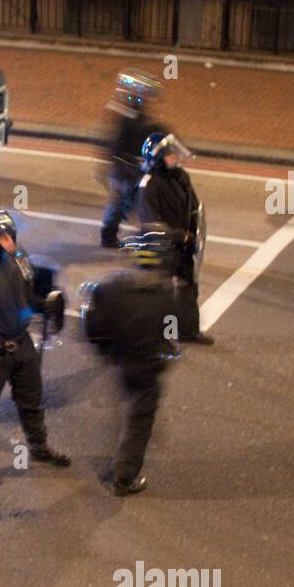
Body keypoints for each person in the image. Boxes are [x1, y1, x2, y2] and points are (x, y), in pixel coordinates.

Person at [0, 209, 72, 486]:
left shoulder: (19, 255)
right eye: (2, 238)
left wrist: (45, 301)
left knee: (32, 400)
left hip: (21, 343)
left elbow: (27, 289)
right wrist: (30, 309)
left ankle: (39, 446)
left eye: (11, 235)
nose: (9, 242)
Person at [85, 227, 178, 496]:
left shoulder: (109, 289)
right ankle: (123, 477)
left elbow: (94, 327)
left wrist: (108, 351)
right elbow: (170, 333)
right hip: (147, 367)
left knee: (129, 406)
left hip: (121, 360)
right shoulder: (164, 296)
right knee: (140, 419)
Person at [137, 134, 214, 345]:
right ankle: (160, 339)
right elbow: (151, 223)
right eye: (169, 155)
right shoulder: (149, 185)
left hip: (183, 245)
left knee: (189, 287)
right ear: (158, 158)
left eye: (173, 154)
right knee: (161, 295)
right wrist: (181, 235)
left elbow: (193, 205)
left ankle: (188, 330)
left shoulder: (180, 176)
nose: (174, 158)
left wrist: (193, 229)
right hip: (160, 249)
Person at [101, 71, 163, 249]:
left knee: (132, 201)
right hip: (124, 166)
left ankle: (119, 235)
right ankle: (109, 236)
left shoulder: (134, 116)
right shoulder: (127, 116)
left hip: (131, 166)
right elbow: (118, 143)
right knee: (123, 202)